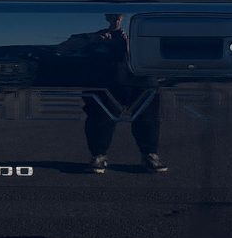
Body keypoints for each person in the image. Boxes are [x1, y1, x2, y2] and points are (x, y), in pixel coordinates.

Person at [60, 13, 166, 174]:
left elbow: (161, 50)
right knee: (99, 120)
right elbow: (64, 47)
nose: (116, 20)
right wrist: (93, 40)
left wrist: (132, 42)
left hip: (143, 81)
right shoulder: (95, 35)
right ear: (107, 18)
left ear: (125, 17)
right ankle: (98, 156)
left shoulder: (142, 35)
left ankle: (150, 155)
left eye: (120, 16)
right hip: (105, 81)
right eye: (113, 16)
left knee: (148, 120)